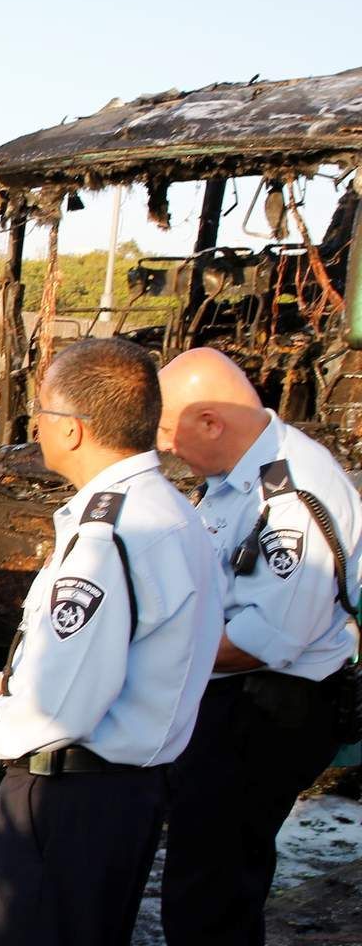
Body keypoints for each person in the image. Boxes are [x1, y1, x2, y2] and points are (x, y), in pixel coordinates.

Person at [0, 337, 224, 946]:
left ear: (71, 430)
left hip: (70, 801)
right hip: (124, 795)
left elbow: (56, 713)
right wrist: (7, 685)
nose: (34, 425)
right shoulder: (170, 511)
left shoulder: (106, 539)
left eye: (40, 411)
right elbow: (121, 660)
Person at [155, 347, 362, 945]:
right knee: (209, 870)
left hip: (266, 707)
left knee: (210, 887)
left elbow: (262, 641)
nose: (166, 448)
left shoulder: (287, 497)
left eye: (169, 432)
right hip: (240, 702)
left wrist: (151, 653)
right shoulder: (240, 474)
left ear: (211, 423)